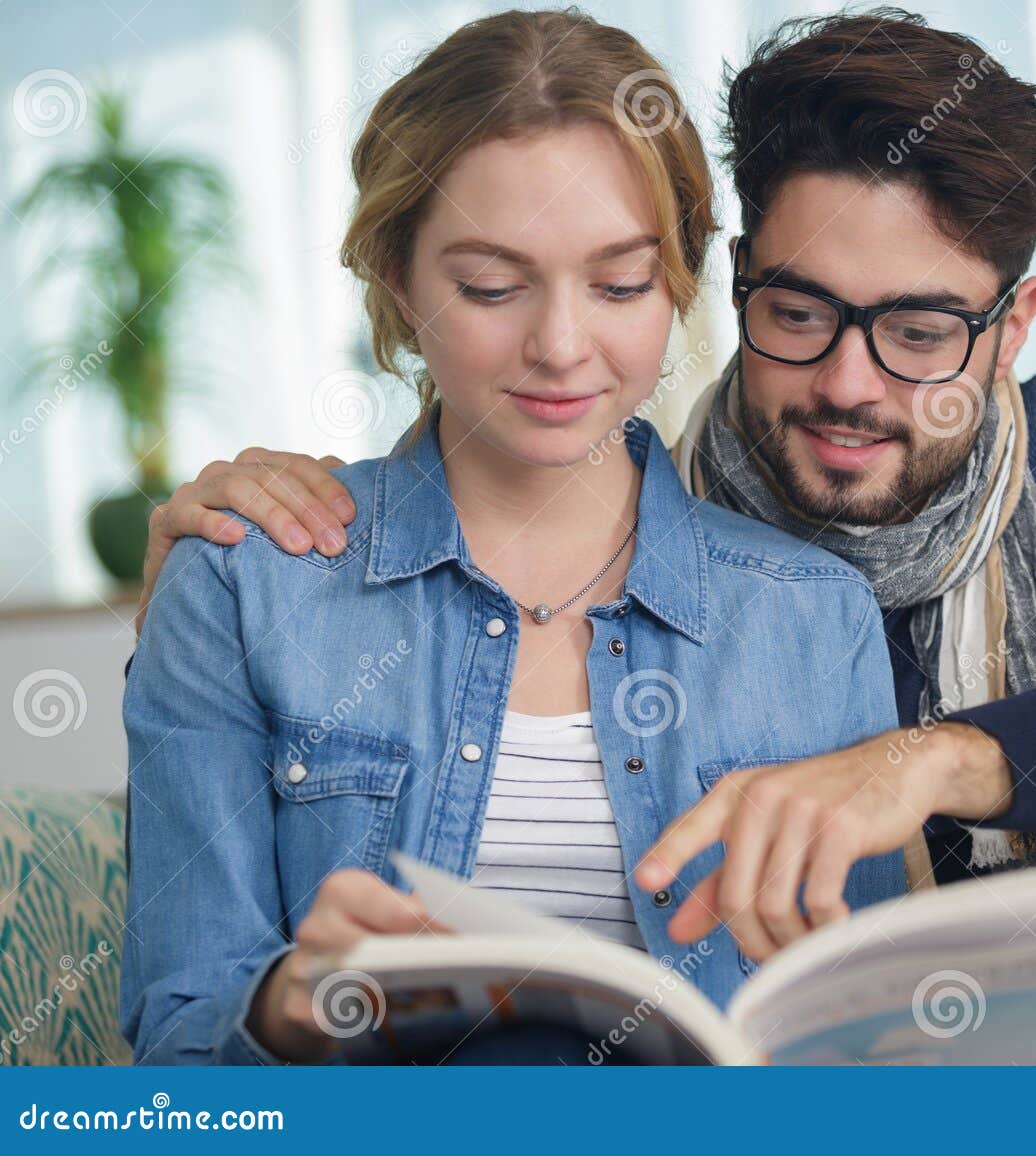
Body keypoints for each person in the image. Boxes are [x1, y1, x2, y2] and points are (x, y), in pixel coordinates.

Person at [134, 9, 1036, 1064]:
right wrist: (216, 556)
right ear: (738, 285)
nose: (845, 380)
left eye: (915, 330)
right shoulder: (315, 563)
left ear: (1010, 326)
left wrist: (914, 763)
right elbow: (186, 1019)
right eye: (801, 313)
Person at [119, 9, 911, 1067]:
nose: (560, 345)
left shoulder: (814, 616)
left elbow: (855, 1044)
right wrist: (281, 1010)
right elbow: (175, 1046)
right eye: (491, 286)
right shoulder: (241, 580)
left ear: (676, 278)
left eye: (621, 282)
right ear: (396, 277)